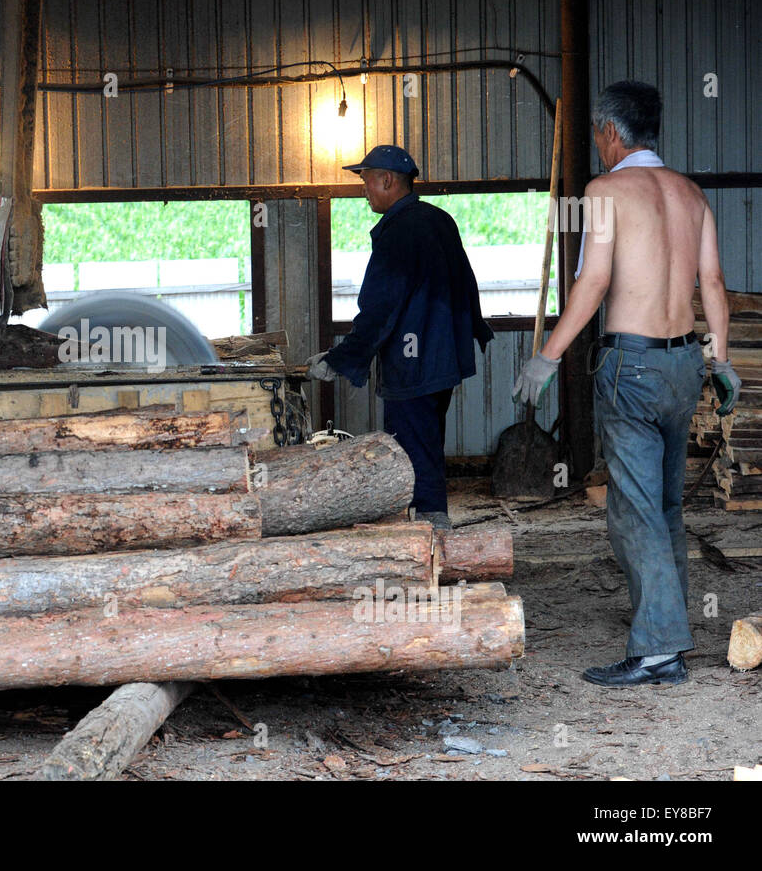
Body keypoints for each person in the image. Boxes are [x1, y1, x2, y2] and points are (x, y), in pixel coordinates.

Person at [513, 80, 740, 687]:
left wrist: (546, 358)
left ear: (611, 133)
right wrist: (719, 361)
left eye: (596, 134)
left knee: (634, 510)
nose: (596, 143)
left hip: (632, 367)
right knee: (663, 507)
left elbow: (592, 284)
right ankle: (664, 632)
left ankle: (659, 649)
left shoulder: (605, 190)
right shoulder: (690, 195)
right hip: (684, 363)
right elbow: (712, 283)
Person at [307, 145, 493, 530]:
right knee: (426, 442)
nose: (365, 191)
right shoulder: (439, 220)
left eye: (366, 181)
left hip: (414, 360)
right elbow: (466, 288)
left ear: (388, 180)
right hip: (443, 359)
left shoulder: (399, 231)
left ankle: (430, 532)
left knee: (412, 451)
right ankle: (428, 525)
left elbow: (381, 306)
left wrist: (341, 358)